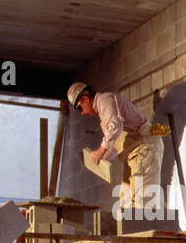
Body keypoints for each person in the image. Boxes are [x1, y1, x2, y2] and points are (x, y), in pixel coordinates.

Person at [66, 82, 164, 216]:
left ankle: (151, 231)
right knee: (126, 200)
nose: (82, 113)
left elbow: (115, 127)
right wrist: (102, 159)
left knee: (142, 201)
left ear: (85, 98)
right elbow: (116, 143)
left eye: (79, 108)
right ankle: (132, 234)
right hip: (134, 154)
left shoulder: (104, 101)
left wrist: (100, 150)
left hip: (144, 148)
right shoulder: (103, 113)